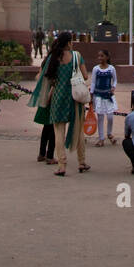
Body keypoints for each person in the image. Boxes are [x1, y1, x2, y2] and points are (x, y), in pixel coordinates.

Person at [40, 31, 90, 176]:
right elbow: (86, 75)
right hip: (75, 98)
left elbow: (49, 79)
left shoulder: (54, 57)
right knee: (78, 129)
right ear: (68, 43)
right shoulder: (76, 56)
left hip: (58, 97)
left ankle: (62, 165)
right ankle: (81, 162)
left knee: (59, 131)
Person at [90, 48, 118, 146]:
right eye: (99, 56)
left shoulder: (111, 69)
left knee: (110, 116)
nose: (100, 58)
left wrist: (113, 87)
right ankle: (101, 138)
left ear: (107, 57)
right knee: (100, 117)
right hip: (98, 95)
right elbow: (93, 82)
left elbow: (115, 80)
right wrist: (91, 94)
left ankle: (109, 133)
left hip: (108, 95)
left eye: (102, 56)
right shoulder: (95, 69)